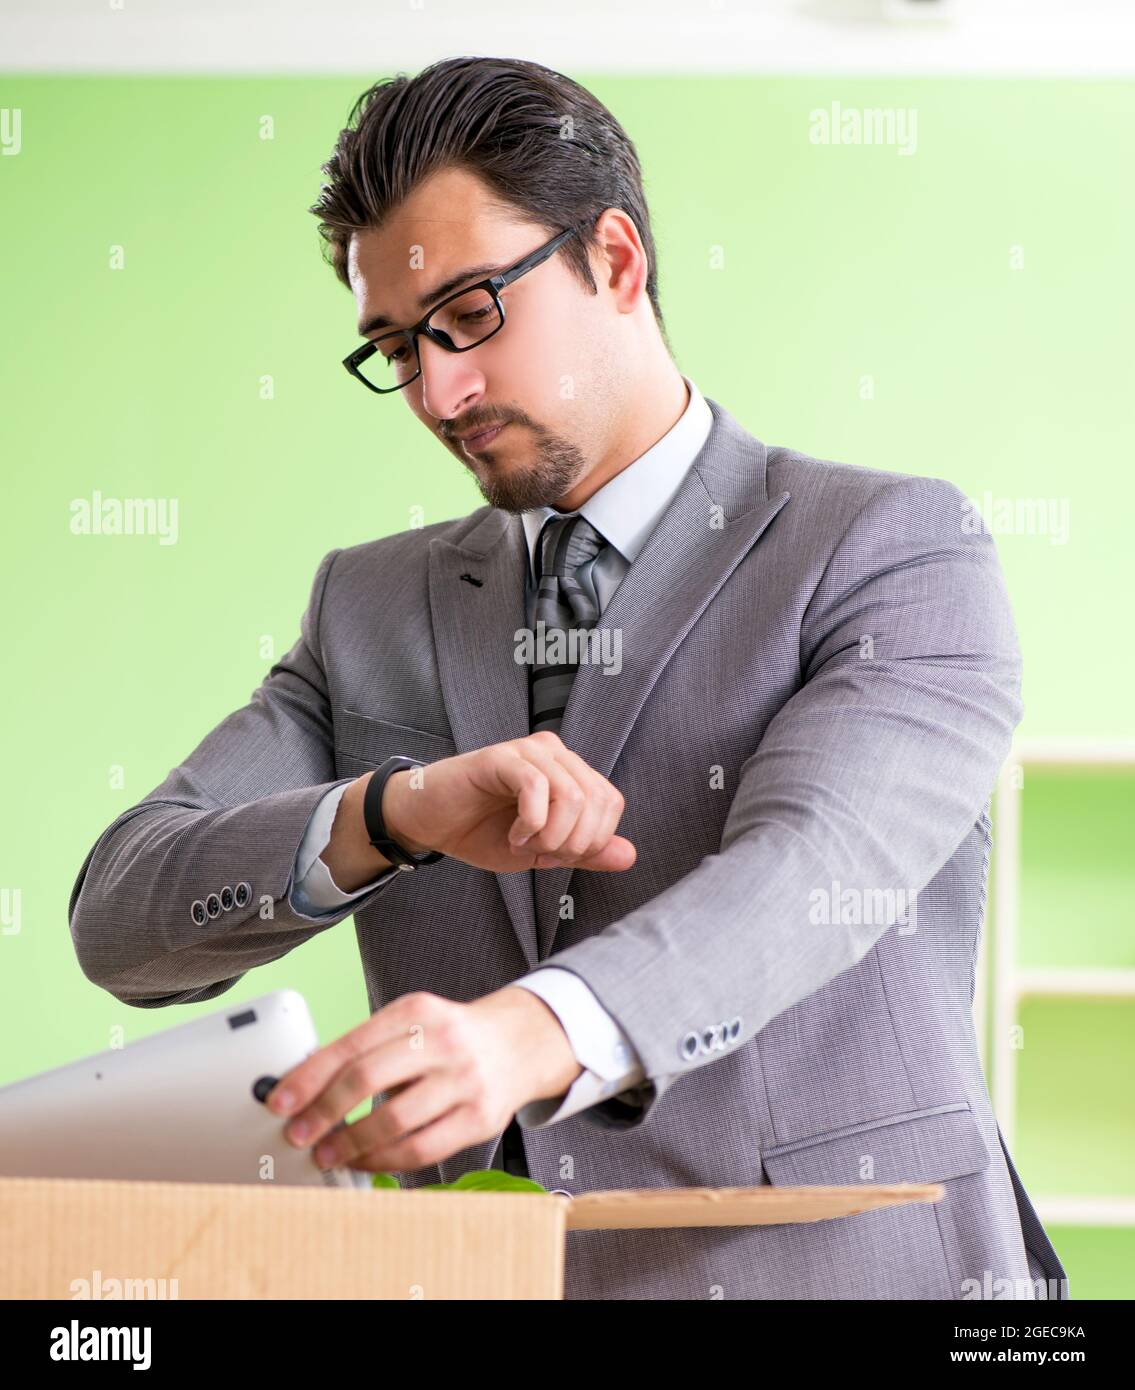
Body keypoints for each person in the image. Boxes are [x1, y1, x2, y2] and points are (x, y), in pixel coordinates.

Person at [69, 56, 1067, 1301]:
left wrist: (524, 1035)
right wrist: (395, 809)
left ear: (617, 259)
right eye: (395, 345)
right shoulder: (367, 606)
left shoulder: (888, 544)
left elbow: (819, 866)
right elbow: (120, 918)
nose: (438, 388)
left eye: (472, 311)